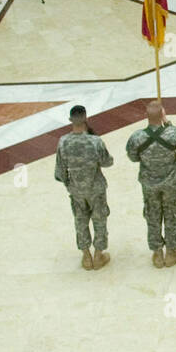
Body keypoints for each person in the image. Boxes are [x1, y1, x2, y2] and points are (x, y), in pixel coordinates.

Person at [125, 100, 176, 269]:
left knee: (152, 216)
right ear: (162, 115)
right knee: (172, 215)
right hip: (171, 182)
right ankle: (172, 252)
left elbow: (132, 157)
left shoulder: (137, 137)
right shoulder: (171, 133)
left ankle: (157, 253)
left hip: (149, 182)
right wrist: (166, 122)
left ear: (146, 116)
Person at [54, 105, 113, 271]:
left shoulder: (63, 142)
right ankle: (98, 254)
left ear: (70, 120)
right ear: (86, 118)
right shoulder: (95, 141)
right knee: (99, 220)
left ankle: (86, 256)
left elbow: (59, 171)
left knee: (80, 221)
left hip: (76, 190)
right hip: (96, 188)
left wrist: (69, 184)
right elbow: (107, 162)